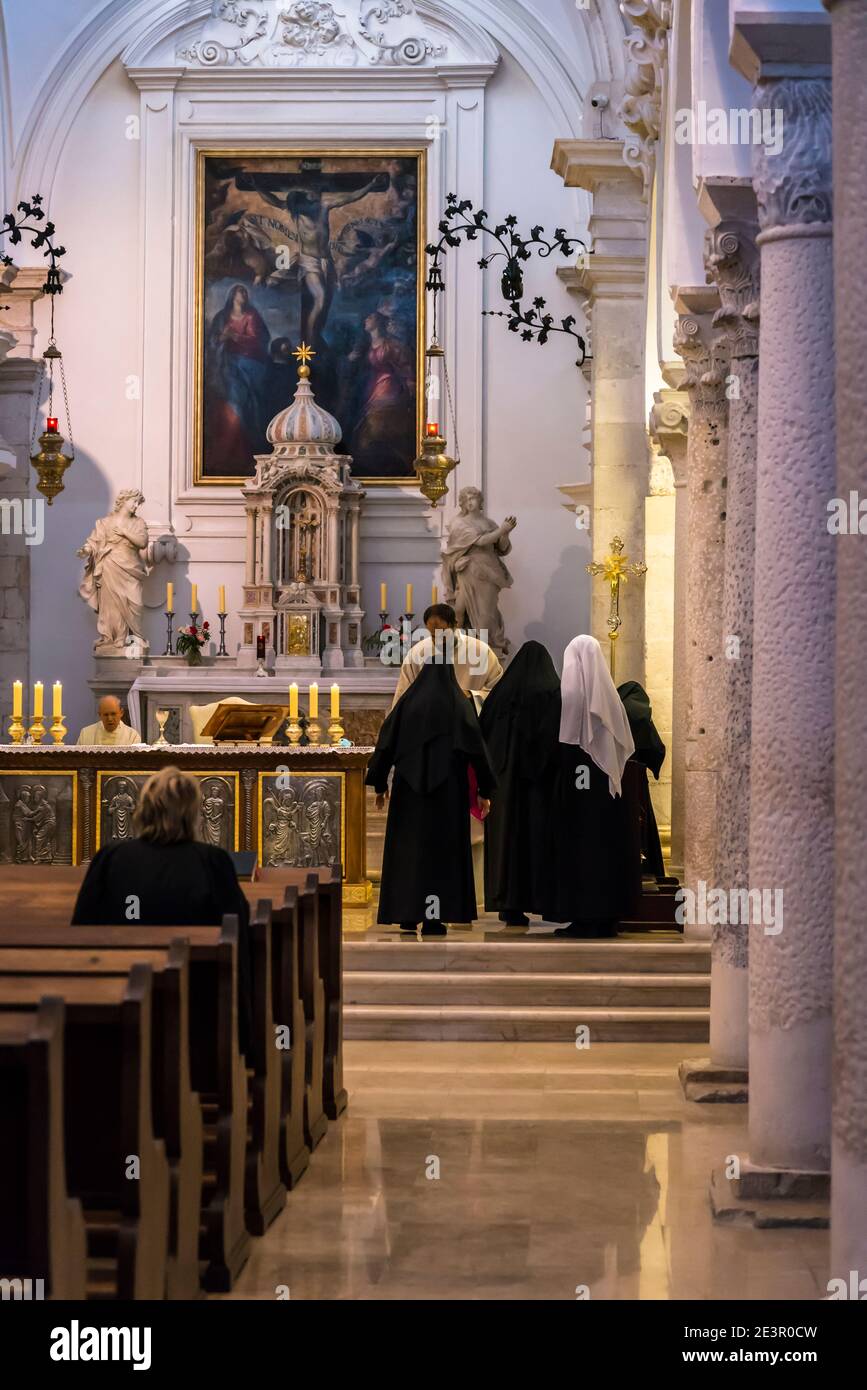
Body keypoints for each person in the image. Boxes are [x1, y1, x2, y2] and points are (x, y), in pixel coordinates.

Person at [71, 766, 252, 1054]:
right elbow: (238, 939)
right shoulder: (213, 862)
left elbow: (81, 932)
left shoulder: (112, 858)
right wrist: (245, 1033)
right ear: (193, 814)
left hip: (118, 1008)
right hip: (197, 1019)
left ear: (143, 810)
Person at [366, 660, 496, 935]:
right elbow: (477, 750)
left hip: (408, 794)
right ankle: (435, 918)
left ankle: (407, 914)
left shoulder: (407, 705)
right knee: (442, 854)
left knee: (409, 852)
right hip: (448, 795)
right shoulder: (459, 706)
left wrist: (379, 783)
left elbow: (385, 743)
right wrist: (484, 790)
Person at [543, 635, 640, 938]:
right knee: (605, 853)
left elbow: (566, 741)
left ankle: (584, 916)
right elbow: (622, 746)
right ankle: (607, 914)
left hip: (577, 791)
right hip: (606, 793)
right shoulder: (610, 698)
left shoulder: (570, 694)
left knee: (581, 852)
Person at [480, 641, 562, 927]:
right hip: (537, 786)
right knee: (534, 841)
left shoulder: (501, 695)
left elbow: (482, 733)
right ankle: (538, 899)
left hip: (502, 784)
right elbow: (555, 739)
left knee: (505, 841)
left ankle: (507, 905)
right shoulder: (551, 692)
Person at [390, 603, 503, 709]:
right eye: (434, 635)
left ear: (455, 625)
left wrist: (470, 696)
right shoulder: (417, 654)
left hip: (470, 723)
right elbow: (402, 697)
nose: (439, 640)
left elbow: (499, 692)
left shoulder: (481, 651)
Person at [618, 680, 667, 880]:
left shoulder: (616, 712)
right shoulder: (641, 714)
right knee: (642, 824)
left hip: (619, 778)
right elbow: (656, 748)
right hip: (638, 780)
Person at [77, 694, 142, 746]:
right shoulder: (85, 734)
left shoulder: (132, 736)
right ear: (100, 715)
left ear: (121, 713)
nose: (109, 719)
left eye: (113, 714)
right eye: (105, 714)